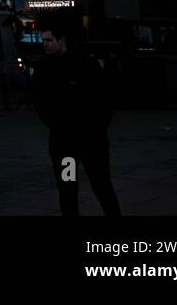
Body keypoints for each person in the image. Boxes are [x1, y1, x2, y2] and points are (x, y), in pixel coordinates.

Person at [29, 20, 121, 216]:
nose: (44, 44)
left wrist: (96, 126)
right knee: (68, 188)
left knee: (100, 185)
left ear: (62, 40)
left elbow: (106, 99)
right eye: (43, 40)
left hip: (90, 142)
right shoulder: (44, 67)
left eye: (48, 40)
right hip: (65, 145)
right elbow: (38, 100)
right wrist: (54, 123)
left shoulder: (85, 63)